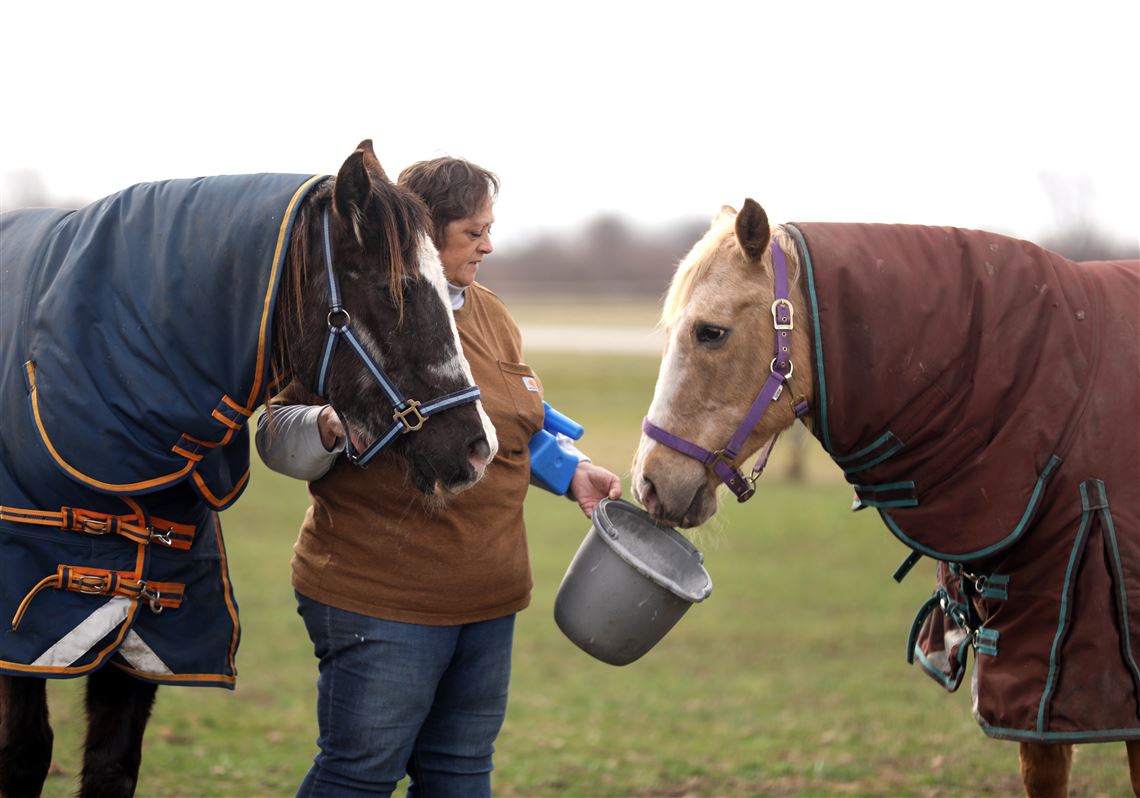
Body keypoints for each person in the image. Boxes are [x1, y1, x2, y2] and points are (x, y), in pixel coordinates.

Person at [256, 156, 622, 798]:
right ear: (425, 234)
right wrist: (327, 426)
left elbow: (506, 422)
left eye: (490, 229)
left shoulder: (493, 315)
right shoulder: (363, 306)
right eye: (474, 232)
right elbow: (273, 429)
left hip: (489, 601)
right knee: (360, 774)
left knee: (460, 771)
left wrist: (571, 472)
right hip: (382, 600)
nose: (488, 245)